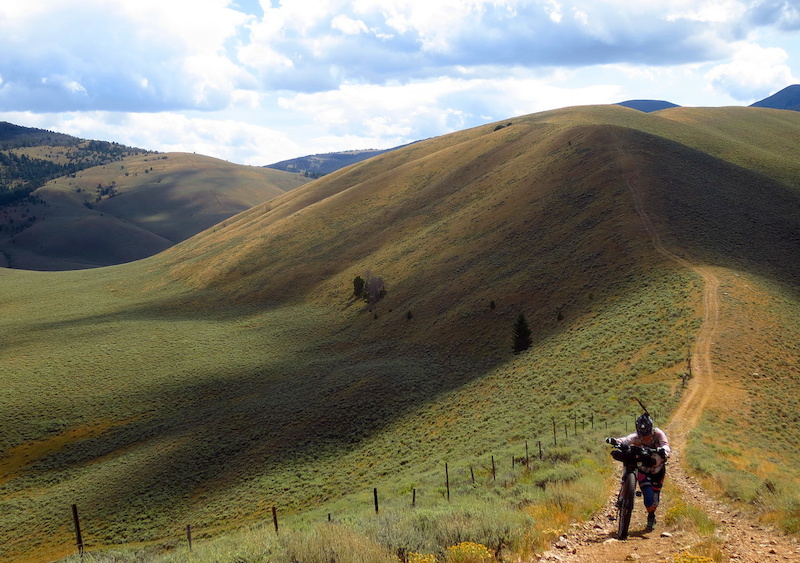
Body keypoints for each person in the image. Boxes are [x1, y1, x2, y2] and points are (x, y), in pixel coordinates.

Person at [606, 413, 671, 532]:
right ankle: (624, 494)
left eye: (646, 433)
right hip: (643, 470)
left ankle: (651, 515)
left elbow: (665, 445)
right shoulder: (636, 437)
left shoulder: (658, 434)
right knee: (647, 496)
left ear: (651, 428)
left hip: (657, 470)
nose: (644, 437)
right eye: (642, 434)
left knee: (653, 502)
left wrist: (664, 452)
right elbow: (627, 440)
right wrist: (616, 441)